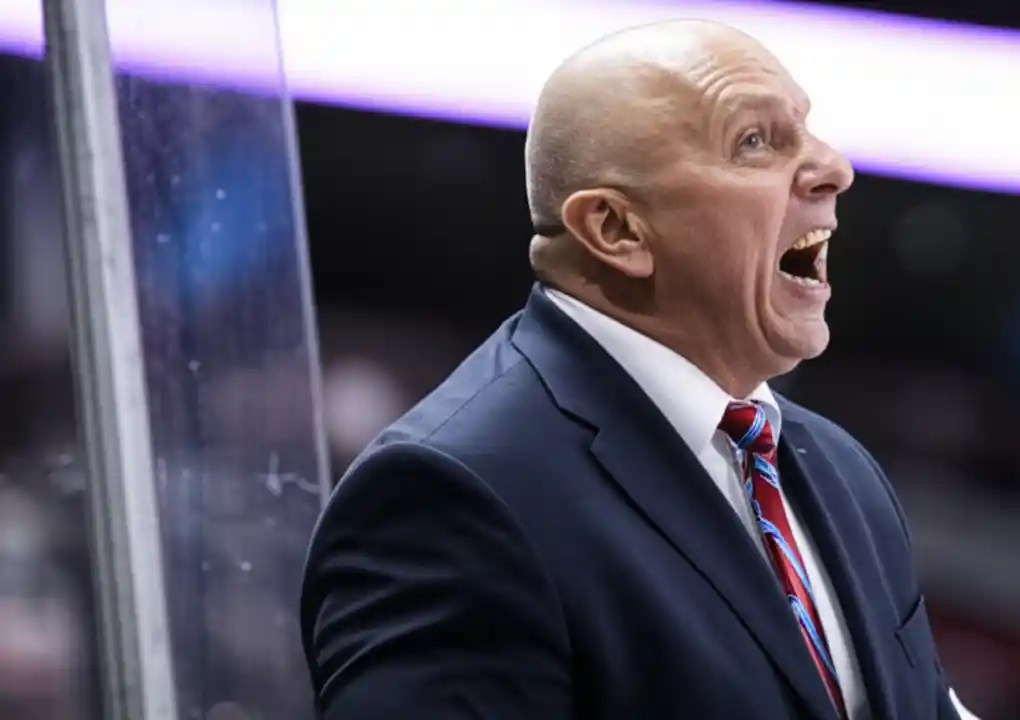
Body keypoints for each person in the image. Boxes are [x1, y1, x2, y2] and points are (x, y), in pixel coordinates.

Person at [301, 19, 976, 720]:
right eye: (754, 142)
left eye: (804, 130)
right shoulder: (453, 497)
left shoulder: (841, 472)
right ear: (617, 230)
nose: (834, 166)